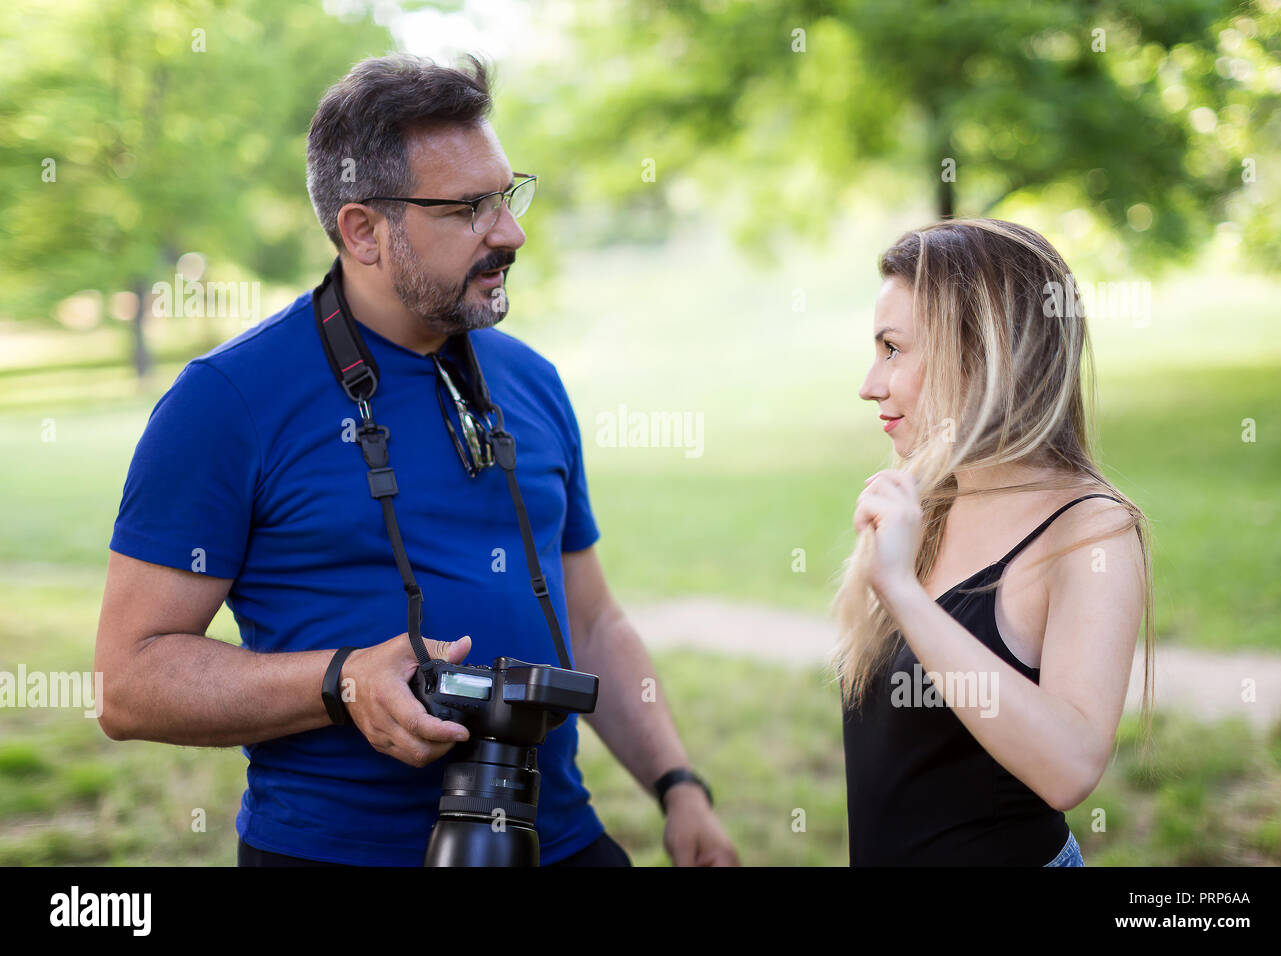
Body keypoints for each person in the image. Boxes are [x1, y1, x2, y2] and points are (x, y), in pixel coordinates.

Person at [94, 53, 738, 868]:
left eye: (506, 195)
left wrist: (678, 785)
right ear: (363, 230)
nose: (511, 232)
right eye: (469, 208)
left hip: (559, 841)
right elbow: (128, 682)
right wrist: (342, 681)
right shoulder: (224, 402)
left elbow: (592, 618)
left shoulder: (532, 380)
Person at [832, 218, 1154, 866]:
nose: (870, 383)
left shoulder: (1091, 530)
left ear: (978, 352)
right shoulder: (929, 496)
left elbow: (1070, 766)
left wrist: (901, 592)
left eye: (893, 349)